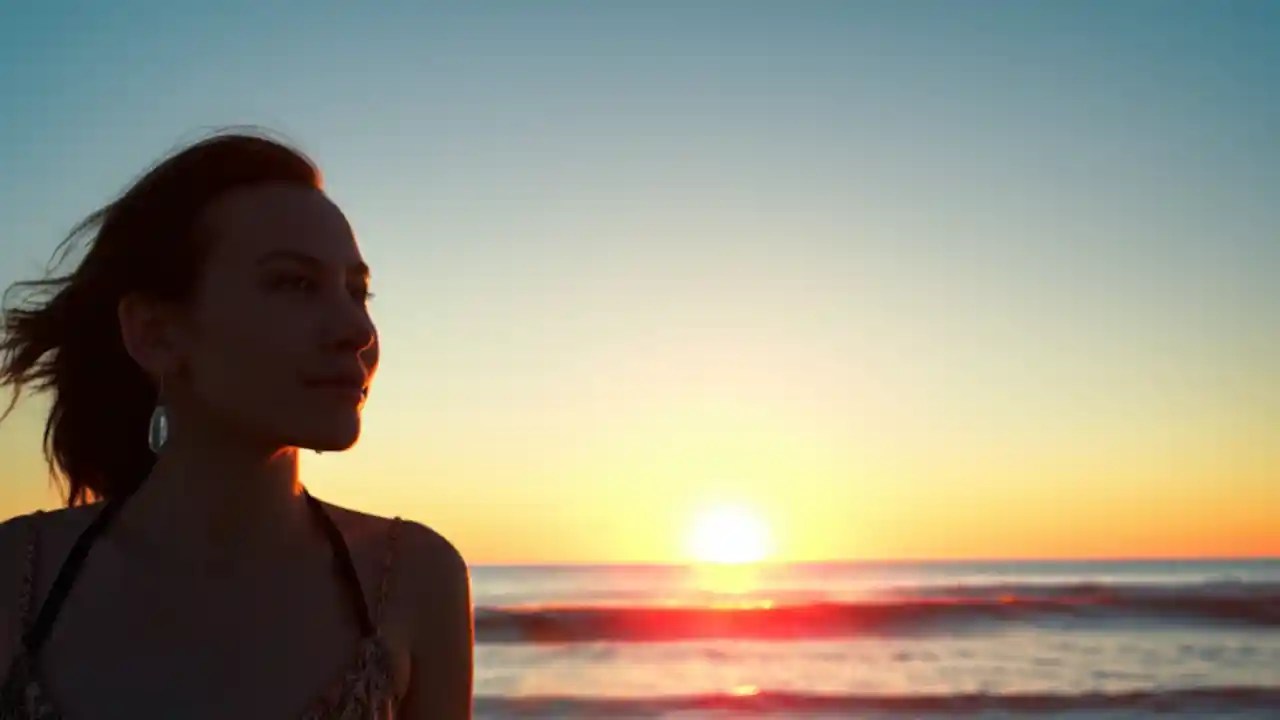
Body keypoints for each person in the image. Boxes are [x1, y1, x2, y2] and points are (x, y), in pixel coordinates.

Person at [0, 131, 473, 718]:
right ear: (156, 333)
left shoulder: (413, 580)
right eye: (294, 283)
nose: (357, 329)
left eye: (357, 290)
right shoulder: (19, 577)